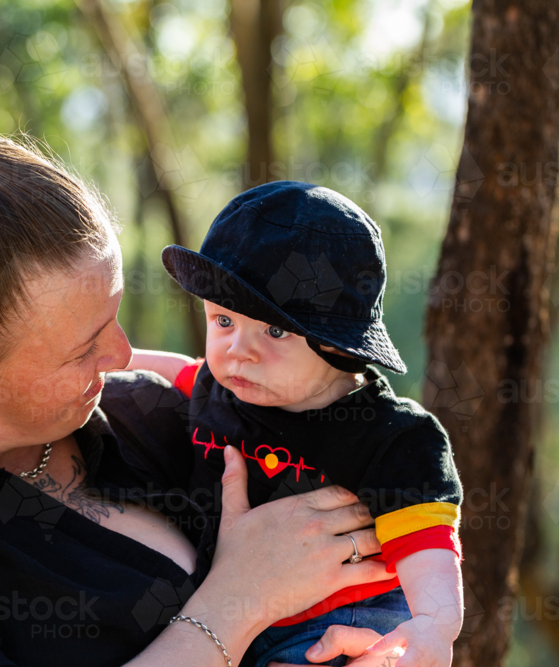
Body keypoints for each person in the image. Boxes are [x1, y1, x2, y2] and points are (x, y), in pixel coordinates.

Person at [0, 60, 398, 666]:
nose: (120, 352)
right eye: (82, 347)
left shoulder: (149, 414)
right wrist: (238, 602)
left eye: (113, 315)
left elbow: (385, 483)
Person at [127, 182, 465, 667]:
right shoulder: (220, 387)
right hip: (230, 615)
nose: (237, 349)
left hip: (341, 621)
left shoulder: (388, 436)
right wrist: (115, 360)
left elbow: (427, 542)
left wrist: (435, 626)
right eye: (223, 321)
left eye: (275, 330)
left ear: (338, 345)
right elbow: (176, 368)